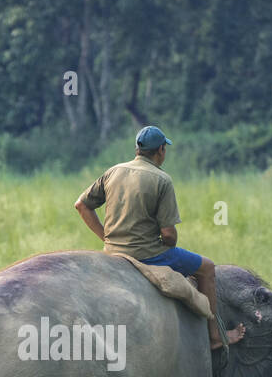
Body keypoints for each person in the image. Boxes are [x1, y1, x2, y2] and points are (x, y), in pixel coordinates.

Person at [74, 126, 245, 350]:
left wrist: (107, 238)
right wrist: (167, 243)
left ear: (137, 149)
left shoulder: (113, 171)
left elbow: (81, 205)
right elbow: (168, 234)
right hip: (148, 255)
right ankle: (215, 336)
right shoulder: (162, 180)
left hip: (113, 251)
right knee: (207, 268)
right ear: (161, 150)